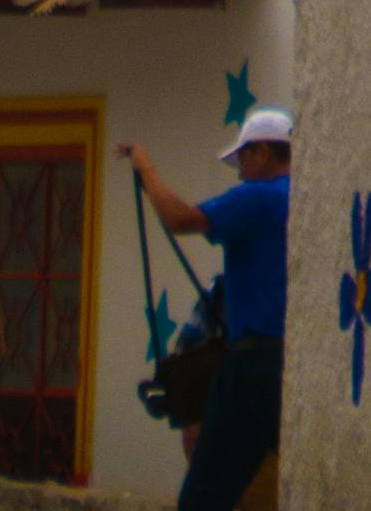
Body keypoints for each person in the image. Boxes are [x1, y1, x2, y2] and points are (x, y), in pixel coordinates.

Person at [126, 108, 289, 511]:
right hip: (291, 365)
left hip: (252, 363)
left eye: (244, 160)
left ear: (263, 152)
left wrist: (145, 168)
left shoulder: (259, 196)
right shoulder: (305, 199)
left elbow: (178, 219)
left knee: (204, 496)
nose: (241, 172)